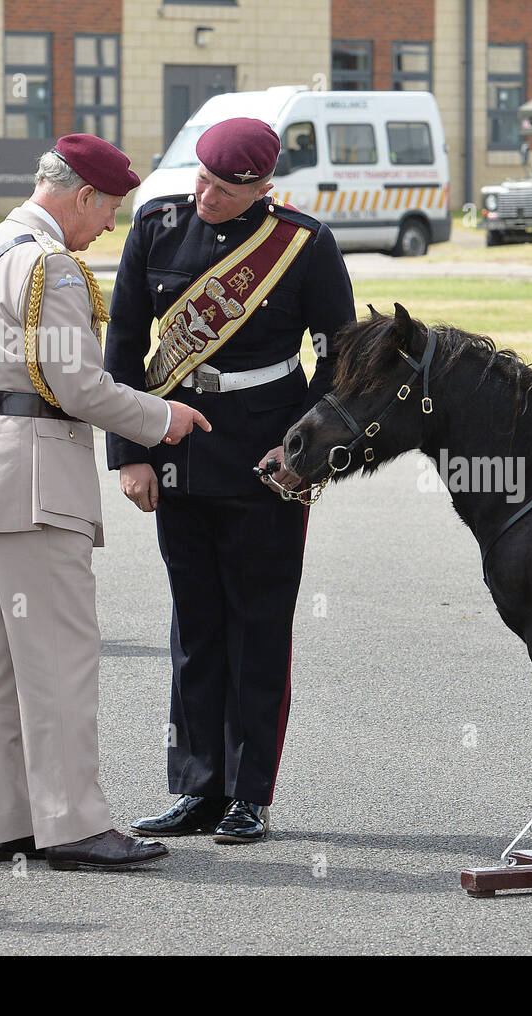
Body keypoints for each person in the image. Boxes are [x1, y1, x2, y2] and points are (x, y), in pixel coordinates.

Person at [0, 134, 211, 870]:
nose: (111, 224)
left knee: (2, 659)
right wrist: (160, 417)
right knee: (59, 658)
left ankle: (10, 820)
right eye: (109, 206)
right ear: (83, 194)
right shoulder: (51, 265)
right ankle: (75, 823)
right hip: (32, 478)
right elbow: (77, 385)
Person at [104, 117, 354, 843]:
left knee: (259, 624)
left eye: (225, 186)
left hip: (265, 455)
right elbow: (123, 341)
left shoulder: (304, 244)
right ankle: (195, 787)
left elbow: (340, 358)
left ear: (263, 188)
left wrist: (300, 449)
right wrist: (131, 451)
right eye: (201, 179)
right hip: (175, 449)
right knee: (195, 623)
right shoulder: (157, 223)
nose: (206, 195)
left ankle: (249, 793)